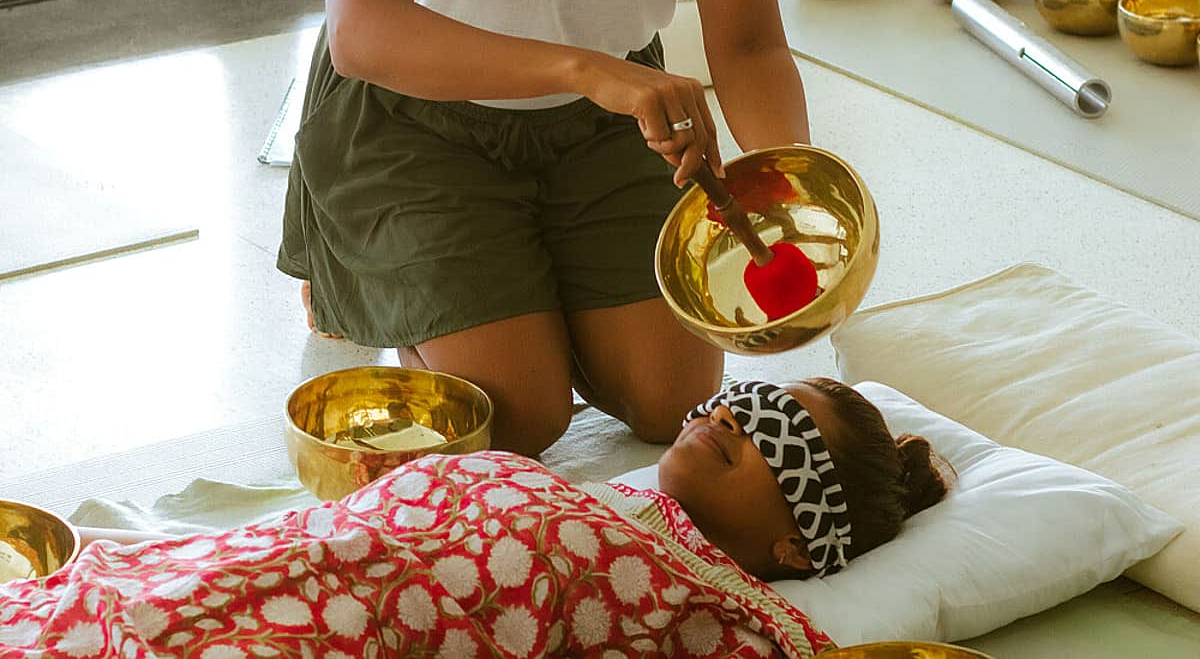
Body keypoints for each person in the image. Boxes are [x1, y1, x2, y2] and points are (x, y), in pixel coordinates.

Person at [278, 0, 814, 457]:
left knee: (674, 402)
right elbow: (363, 29)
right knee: (517, 418)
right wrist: (582, 69)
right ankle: (356, 266)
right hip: (415, 110)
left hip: (607, 116)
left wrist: (789, 182)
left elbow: (750, 44)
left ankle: (529, 285)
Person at [0, 379, 953, 657]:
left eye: (774, 436)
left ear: (797, 539)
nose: (728, 416)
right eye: (742, 396)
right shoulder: (614, 496)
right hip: (293, 554)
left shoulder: (727, 615)